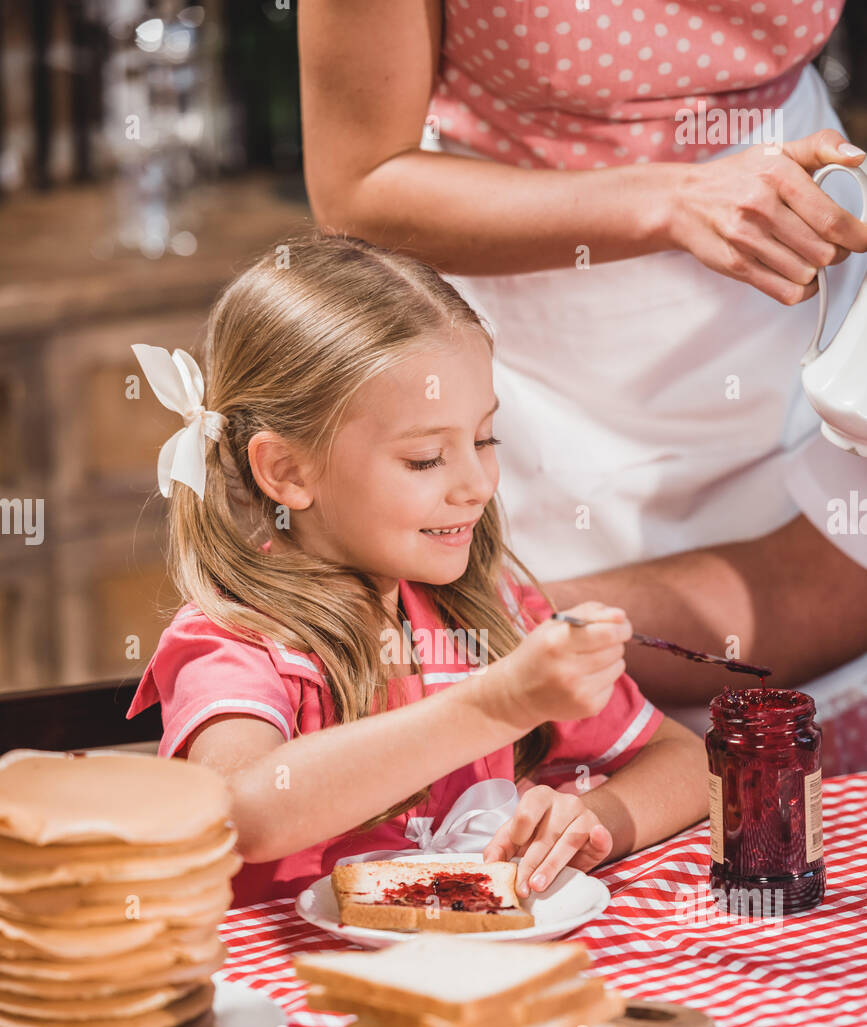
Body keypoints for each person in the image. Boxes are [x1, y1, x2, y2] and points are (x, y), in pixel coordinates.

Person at [299, 1, 867, 770]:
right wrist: (670, 198)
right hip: (525, 312)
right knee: (525, 728)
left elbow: (819, 590)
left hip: (797, 288)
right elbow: (358, 184)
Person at [127, 235, 707, 907]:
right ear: (287, 471)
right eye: (426, 458)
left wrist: (593, 821)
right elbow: (244, 812)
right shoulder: (236, 641)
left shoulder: (487, 614)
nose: (475, 485)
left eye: (483, 440)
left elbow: (687, 760)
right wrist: (496, 705)